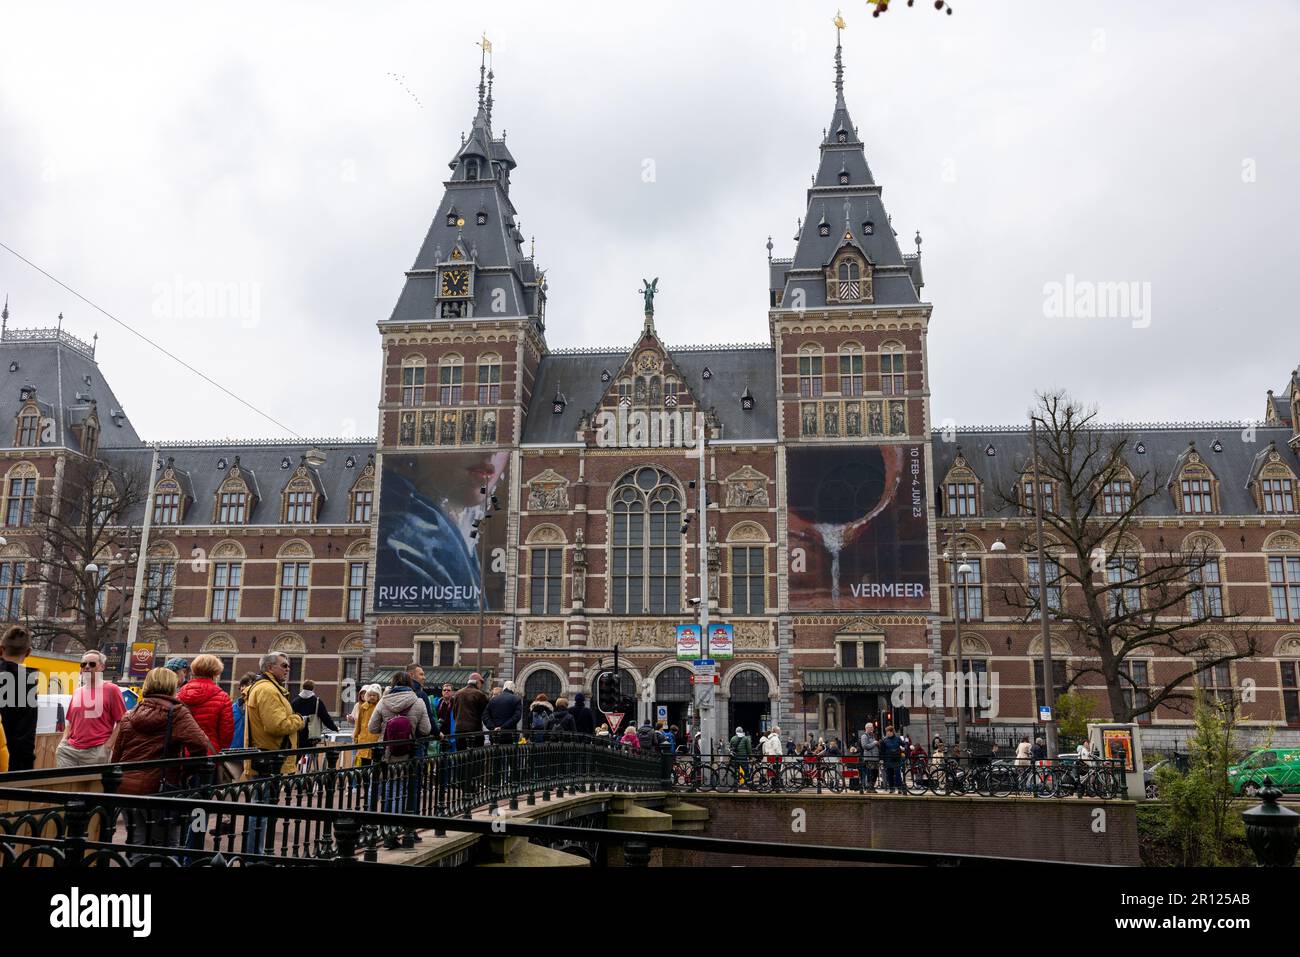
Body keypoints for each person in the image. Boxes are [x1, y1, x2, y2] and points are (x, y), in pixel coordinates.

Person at [110, 667, 213, 852]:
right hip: (160, 787)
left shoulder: (130, 714)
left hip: (128, 788)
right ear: (172, 686)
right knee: (166, 845)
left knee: (137, 844)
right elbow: (200, 743)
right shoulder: (177, 712)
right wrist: (185, 771)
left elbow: (117, 755)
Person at [56, 649, 126, 768]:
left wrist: (107, 746)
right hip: (69, 751)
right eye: (84, 664)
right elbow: (70, 721)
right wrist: (63, 741)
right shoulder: (78, 691)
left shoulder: (112, 689)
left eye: (92, 664)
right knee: (64, 785)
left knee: (93, 787)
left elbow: (122, 721)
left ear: (102, 667)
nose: (87, 667)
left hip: (96, 752)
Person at [244, 653, 306, 774]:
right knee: (266, 792)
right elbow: (277, 726)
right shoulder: (268, 691)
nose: (288, 669)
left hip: (266, 758)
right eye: (284, 665)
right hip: (271, 761)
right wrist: (299, 719)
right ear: (270, 668)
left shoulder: (265, 687)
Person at [176, 654, 234, 754]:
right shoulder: (223, 697)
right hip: (209, 753)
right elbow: (226, 734)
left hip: (182, 753)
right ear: (215, 673)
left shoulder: (179, 694)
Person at [0, 625, 39, 772]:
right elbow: (25, 733)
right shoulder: (26, 683)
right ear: (28, 652)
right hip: (10, 763)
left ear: (1, 649)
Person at [292, 679, 340, 757]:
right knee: (312, 756)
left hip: (297, 734)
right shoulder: (316, 701)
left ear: (303, 687)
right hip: (311, 735)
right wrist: (335, 728)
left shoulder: (295, 701)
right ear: (313, 688)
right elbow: (325, 717)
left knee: (296, 757)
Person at [451, 672, 489, 746]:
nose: (481, 685)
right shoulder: (480, 694)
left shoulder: (457, 693)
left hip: (459, 730)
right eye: (481, 683)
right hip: (474, 730)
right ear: (477, 682)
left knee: (461, 754)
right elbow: (485, 714)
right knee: (476, 755)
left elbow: (454, 712)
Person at [349, 685, 382, 767]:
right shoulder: (363, 707)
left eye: (374, 695)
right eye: (370, 695)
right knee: (364, 765)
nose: (372, 697)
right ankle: (365, 780)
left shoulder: (380, 707)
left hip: (376, 739)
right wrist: (356, 736)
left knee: (376, 765)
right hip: (364, 740)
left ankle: (375, 780)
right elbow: (358, 724)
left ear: (378, 696)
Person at [229, 673, 257, 754]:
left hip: (252, 753)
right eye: (241, 685)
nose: (242, 688)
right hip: (232, 752)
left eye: (246, 685)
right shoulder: (233, 707)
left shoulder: (258, 707)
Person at [880, 725, 905, 794]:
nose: (887, 733)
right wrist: (882, 760)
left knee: (898, 774)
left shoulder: (898, 739)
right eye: (886, 732)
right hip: (888, 760)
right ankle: (891, 788)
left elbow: (904, 744)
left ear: (892, 732)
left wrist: (903, 748)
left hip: (896, 759)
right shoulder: (884, 740)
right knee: (889, 774)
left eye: (888, 732)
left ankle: (899, 788)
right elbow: (882, 751)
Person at [859, 723, 880, 792]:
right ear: (866, 728)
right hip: (869, 758)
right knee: (870, 773)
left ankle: (872, 786)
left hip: (875, 758)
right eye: (870, 727)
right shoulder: (864, 736)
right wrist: (874, 743)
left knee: (875, 772)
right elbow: (865, 746)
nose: (872, 729)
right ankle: (868, 787)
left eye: (872, 727)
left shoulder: (873, 736)